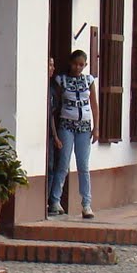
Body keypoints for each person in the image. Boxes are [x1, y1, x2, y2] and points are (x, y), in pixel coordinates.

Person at [48, 49, 97, 218]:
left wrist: (96, 127)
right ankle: (55, 200)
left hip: (84, 126)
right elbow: (56, 105)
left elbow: (94, 105)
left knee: (83, 166)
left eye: (81, 64)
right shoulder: (61, 81)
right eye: (75, 64)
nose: (78, 67)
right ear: (70, 63)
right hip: (66, 125)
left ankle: (86, 204)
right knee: (63, 163)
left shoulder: (89, 80)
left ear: (86, 65)